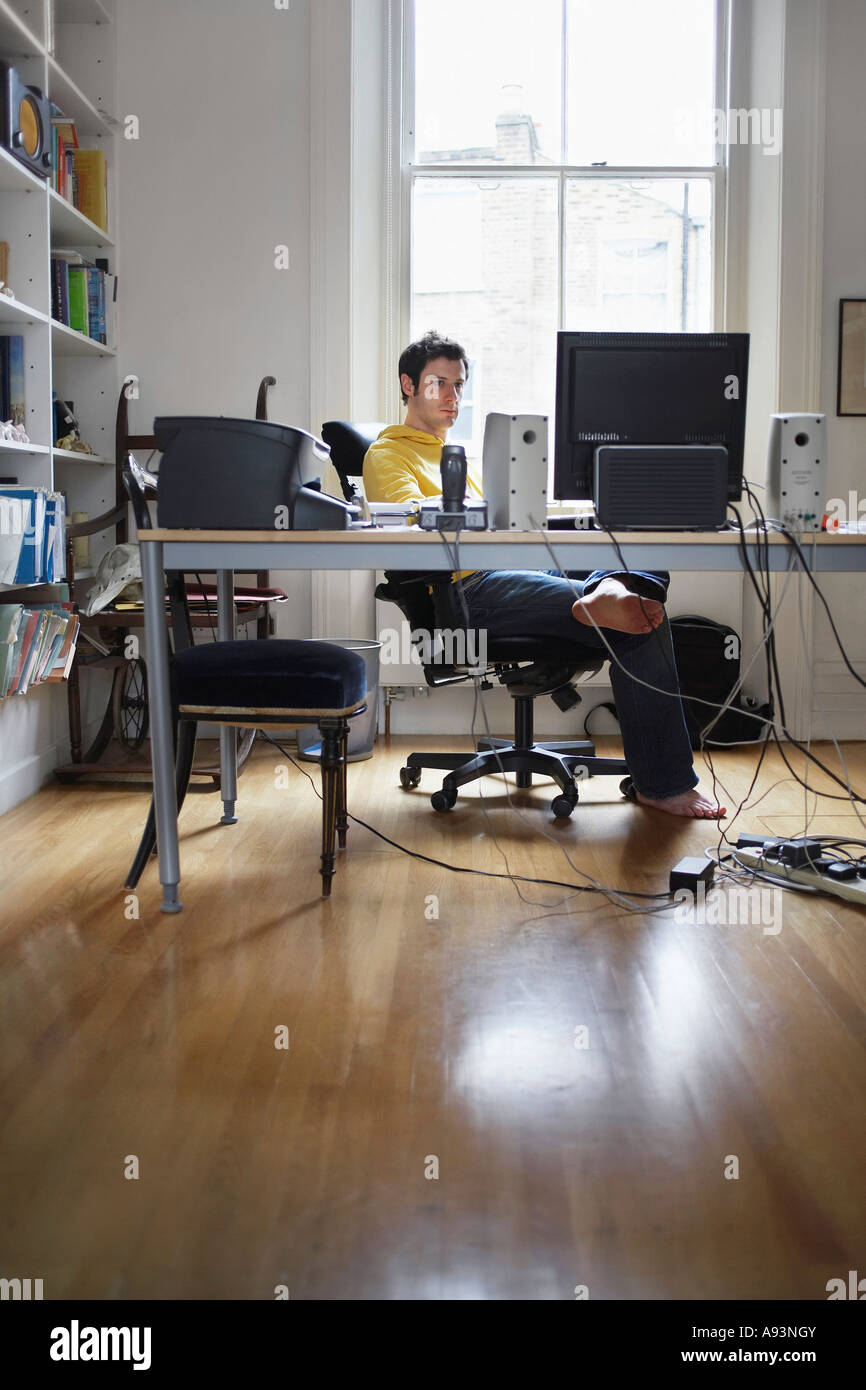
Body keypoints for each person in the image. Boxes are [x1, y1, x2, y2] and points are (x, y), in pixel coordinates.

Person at [363, 331, 725, 818]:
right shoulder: (388, 455)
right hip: (469, 591)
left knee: (633, 546)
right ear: (408, 385)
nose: (452, 397)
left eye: (459, 386)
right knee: (640, 621)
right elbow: (412, 524)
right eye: (439, 384)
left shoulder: (457, 455)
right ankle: (662, 784)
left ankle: (611, 587)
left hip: (510, 568)